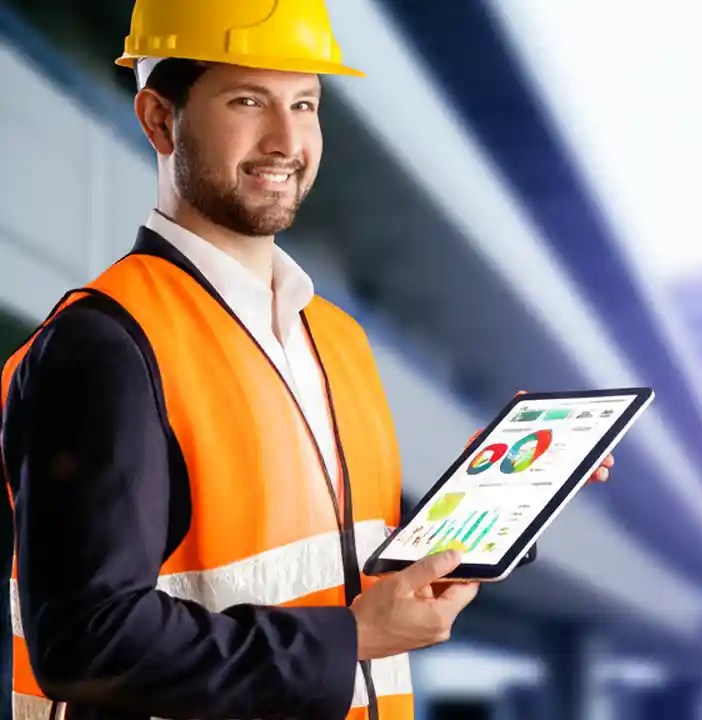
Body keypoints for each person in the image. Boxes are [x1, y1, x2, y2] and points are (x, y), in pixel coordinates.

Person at [0, 2, 614, 719]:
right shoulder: (104, 345)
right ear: (160, 119)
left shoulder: (334, 338)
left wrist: (490, 506)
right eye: (247, 101)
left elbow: (328, 561)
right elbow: (87, 640)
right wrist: (350, 637)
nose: (286, 140)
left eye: (305, 103)